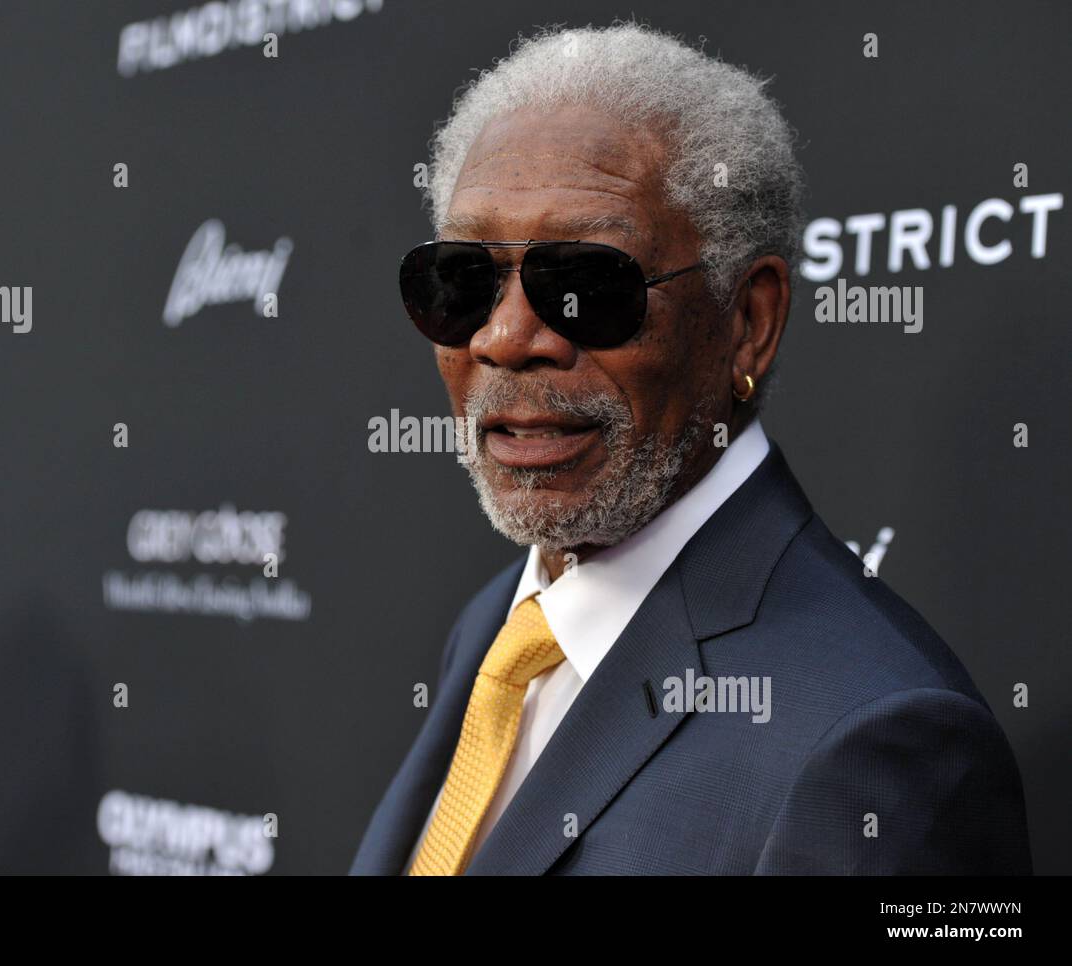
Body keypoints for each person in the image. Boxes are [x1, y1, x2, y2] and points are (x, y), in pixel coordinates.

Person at [350, 22, 1031, 875]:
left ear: (748, 323)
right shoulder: (499, 623)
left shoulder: (880, 746)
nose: (508, 336)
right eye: (462, 280)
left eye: (587, 285)